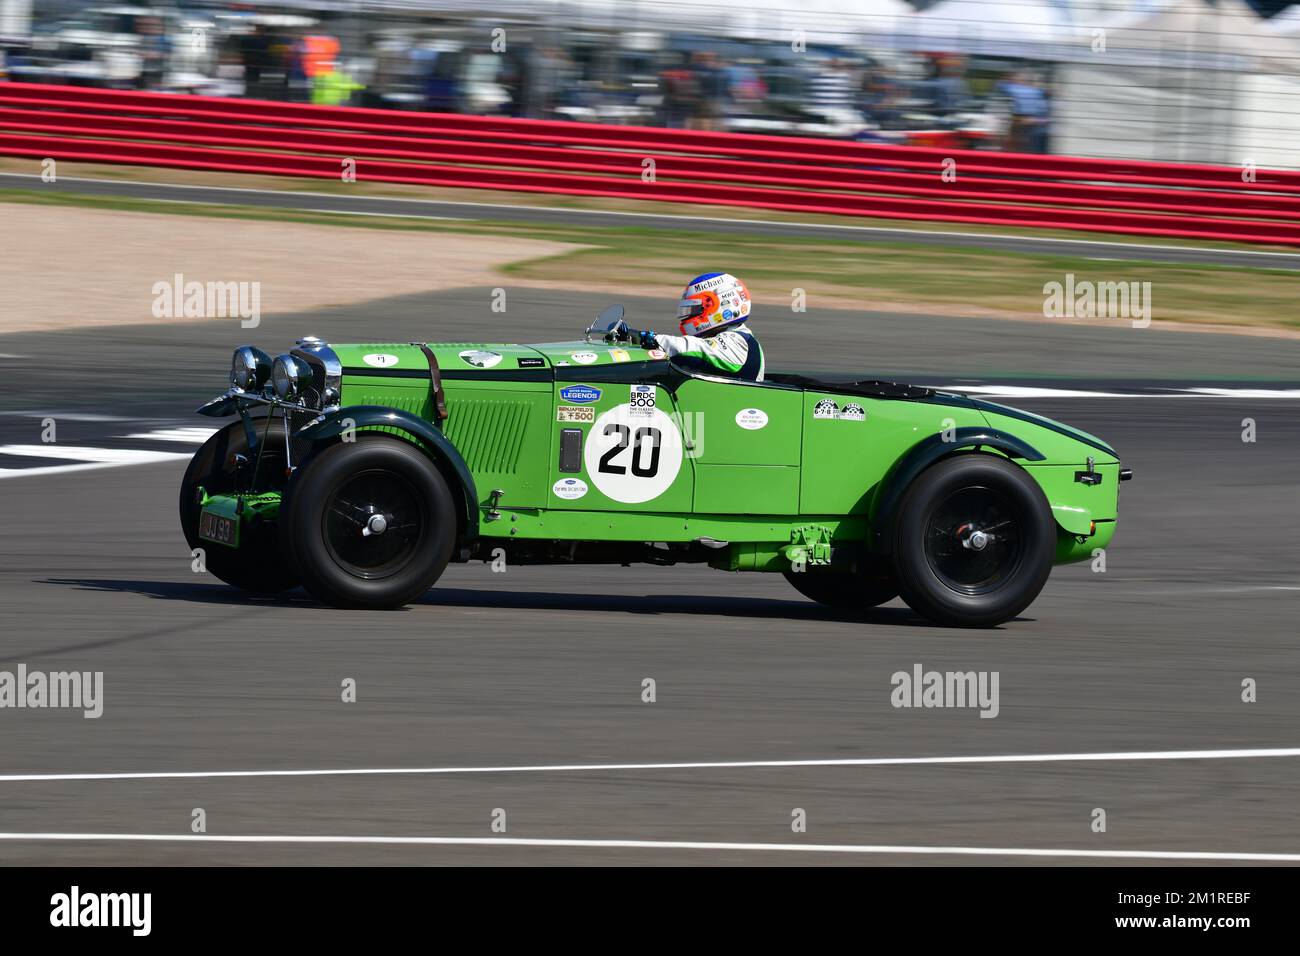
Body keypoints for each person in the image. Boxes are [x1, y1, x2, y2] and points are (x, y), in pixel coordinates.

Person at [614, 272, 764, 382]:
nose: (688, 316)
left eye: (693, 310)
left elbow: (692, 350)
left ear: (717, 306)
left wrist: (649, 339)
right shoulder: (726, 339)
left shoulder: (740, 342)